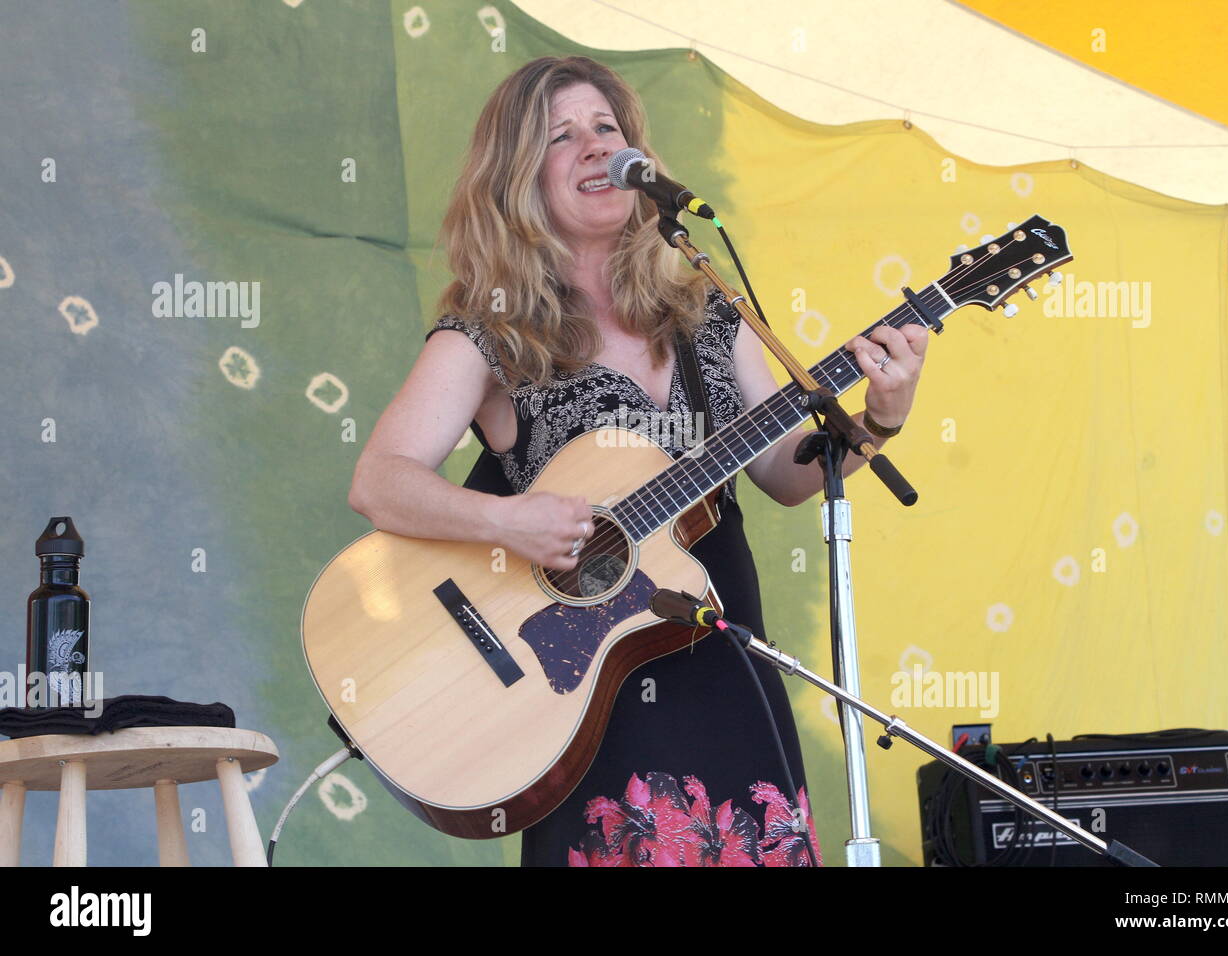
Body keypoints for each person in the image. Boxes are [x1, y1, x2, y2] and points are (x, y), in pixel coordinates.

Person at [348, 55, 928, 866]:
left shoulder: (712, 315)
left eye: (606, 129)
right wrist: (506, 520)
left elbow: (786, 475)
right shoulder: (494, 334)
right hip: (585, 693)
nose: (593, 147)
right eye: (561, 137)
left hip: (729, 673)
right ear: (517, 178)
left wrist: (878, 418)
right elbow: (379, 480)